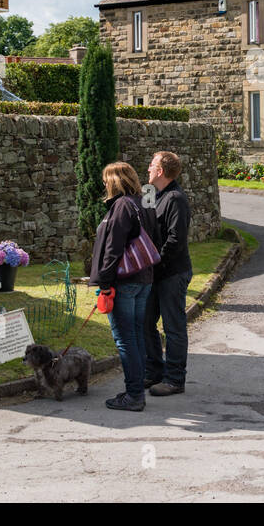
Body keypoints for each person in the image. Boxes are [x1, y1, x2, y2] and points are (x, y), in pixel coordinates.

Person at [87, 162, 156, 411]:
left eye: (107, 179)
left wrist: (104, 284)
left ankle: (134, 395)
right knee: (136, 337)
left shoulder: (121, 206)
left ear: (116, 181)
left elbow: (112, 249)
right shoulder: (142, 203)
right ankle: (136, 389)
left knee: (126, 340)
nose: (104, 183)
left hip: (124, 282)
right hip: (143, 278)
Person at [143, 150, 193, 396]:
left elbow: (176, 240)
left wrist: (154, 262)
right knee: (144, 322)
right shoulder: (151, 193)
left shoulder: (176, 199)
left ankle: (174, 379)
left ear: (161, 171)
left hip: (171, 272)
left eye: (152, 166)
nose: (148, 169)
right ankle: (153, 372)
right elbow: (144, 227)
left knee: (173, 326)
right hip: (152, 272)